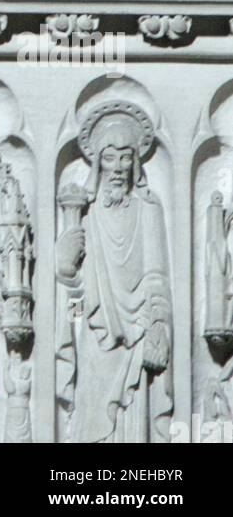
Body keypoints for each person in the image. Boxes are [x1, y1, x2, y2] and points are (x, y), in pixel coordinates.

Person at [56, 105, 173, 442]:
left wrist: (156, 326)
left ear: (136, 160)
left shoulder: (148, 208)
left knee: (134, 422)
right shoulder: (86, 214)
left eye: (126, 157)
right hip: (95, 330)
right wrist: (65, 268)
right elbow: (74, 298)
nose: (119, 167)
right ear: (98, 163)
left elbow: (156, 275)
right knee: (92, 417)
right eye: (110, 158)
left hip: (137, 333)